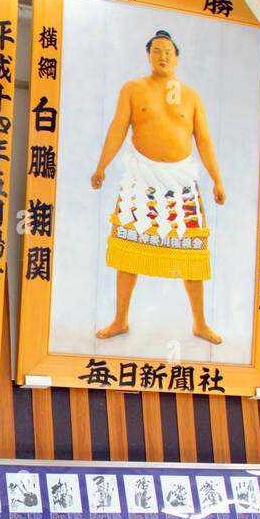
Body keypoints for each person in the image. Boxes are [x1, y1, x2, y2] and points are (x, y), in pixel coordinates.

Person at [90, 29, 226, 344]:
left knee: (193, 256)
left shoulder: (191, 97)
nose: (162, 56)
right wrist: (102, 165)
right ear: (149, 56)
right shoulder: (133, 89)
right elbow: (118, 128)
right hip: (141, 181)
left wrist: (217, 179)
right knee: (127, 255)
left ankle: (200, 323)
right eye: (156, 51)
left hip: (182, 184)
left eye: (167, 51)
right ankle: (120, 320)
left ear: (176, 58)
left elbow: (204, 140)